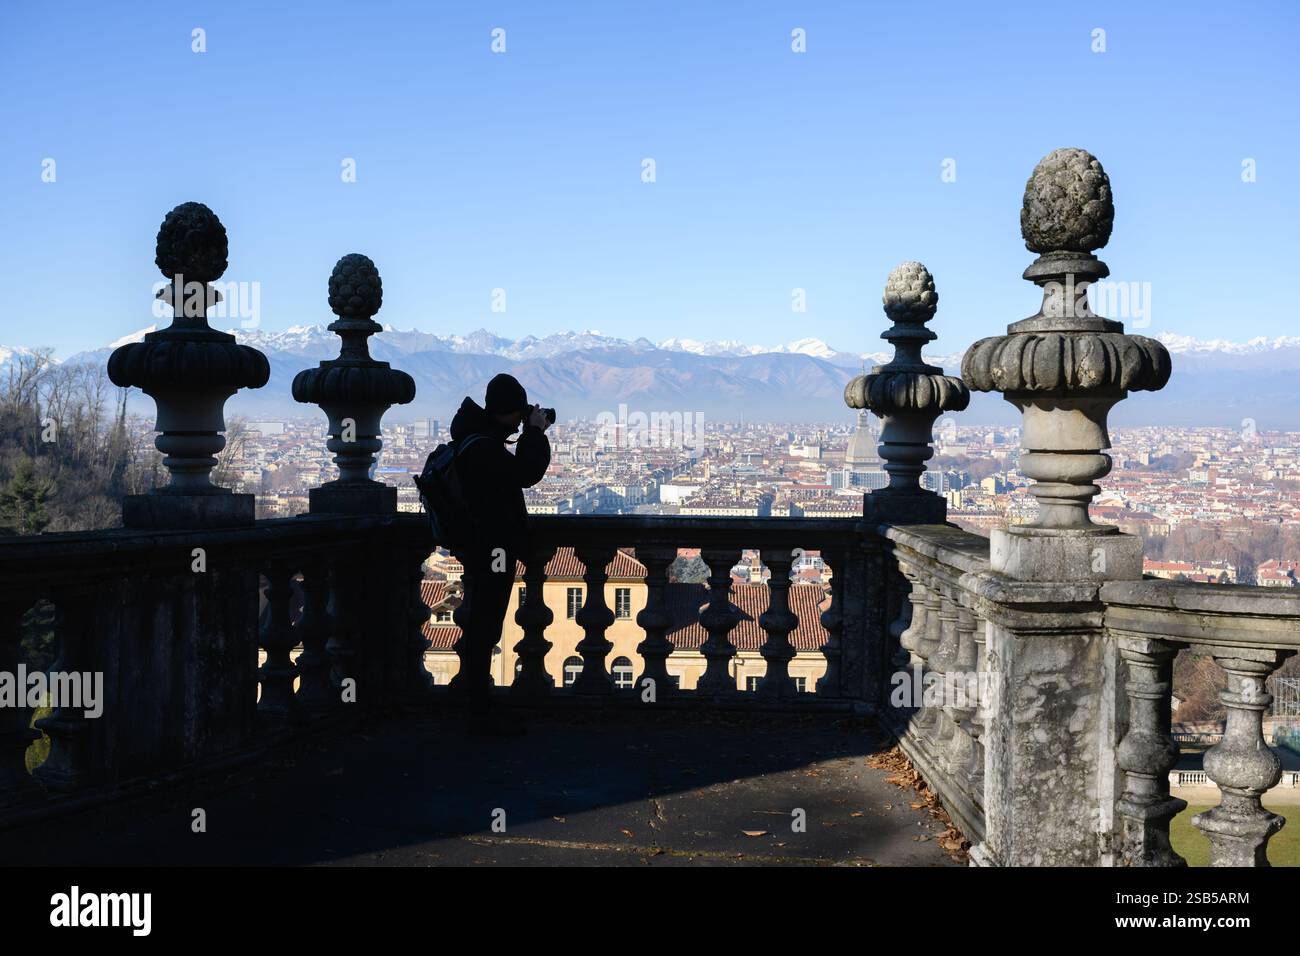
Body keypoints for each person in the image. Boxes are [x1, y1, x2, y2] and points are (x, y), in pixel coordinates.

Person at [444, 373, 551, 727]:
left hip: (480, 547)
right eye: (518, 413)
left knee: (482, 625)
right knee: (484, 627)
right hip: (491, 549)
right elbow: (525, 473)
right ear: (507, 413)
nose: (521, 419)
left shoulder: (475, 439)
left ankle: (478, 702)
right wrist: (534, 433)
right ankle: (478, 709)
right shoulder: (483, 447)